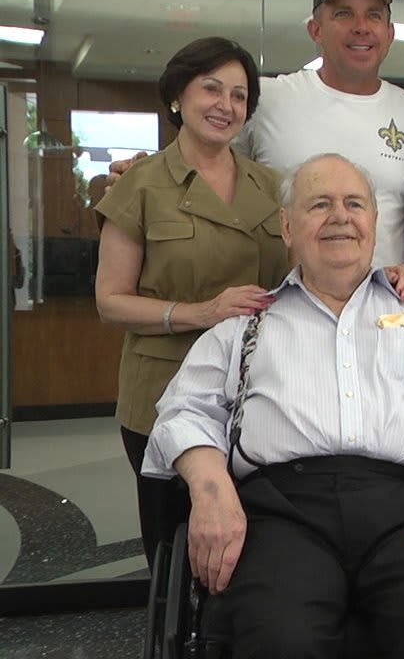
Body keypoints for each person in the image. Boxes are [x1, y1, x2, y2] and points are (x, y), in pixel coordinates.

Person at [142, 154, 404, 658]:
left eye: (353, 203)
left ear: (373, 223)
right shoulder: (246, 325)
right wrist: (210, 490)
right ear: (287, 226)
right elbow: (183, 413)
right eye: (320, 204)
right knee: (278, 639)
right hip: (281, 514)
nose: (340, 216)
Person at [95, 37, 291, 569]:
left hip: (256, 391)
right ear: (178, 95)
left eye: (239, 95)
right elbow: (110, 301)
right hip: (162, 392)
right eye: (211, 88)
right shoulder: (139, 184)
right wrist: (200, 313)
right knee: (174, 544)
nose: (226, 105)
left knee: (252, 543)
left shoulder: (272, 186)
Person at [112, 0, 404, 268]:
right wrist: (142, 177)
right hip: (279, 305)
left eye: (373, 15)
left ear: (389, 33)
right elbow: (202, 166)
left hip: (383, 310)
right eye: (343, 13)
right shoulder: (267, 98)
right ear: (315, 30)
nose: (361, 26)